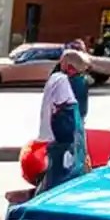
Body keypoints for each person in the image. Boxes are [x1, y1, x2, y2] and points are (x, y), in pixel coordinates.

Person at [37, 49, 89, 193]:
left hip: (55, 138)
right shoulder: (71, 82)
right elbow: (77, 112)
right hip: (64, 139)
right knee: (63, 176)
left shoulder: (56, 79)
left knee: (55, 173)